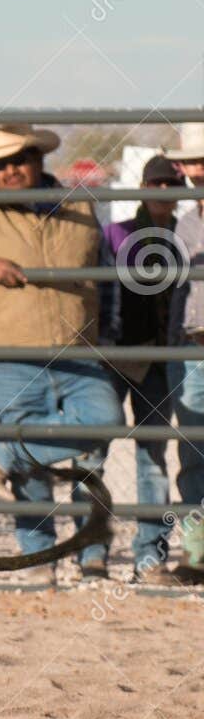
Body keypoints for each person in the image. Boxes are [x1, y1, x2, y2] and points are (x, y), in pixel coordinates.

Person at [0, 125, 120, 582]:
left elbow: (106, 280)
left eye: (18, 161)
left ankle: (4, 462)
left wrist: (109, 338)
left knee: (101, 427)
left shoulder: (83, 209)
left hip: (79, 349)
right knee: (35, 467)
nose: (9, 171)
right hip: (10, 355)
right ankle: (40, 559)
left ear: (38, 161)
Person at [105, 154, 189, 582]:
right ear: (142, 187)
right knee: (93, 446)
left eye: (169, 185)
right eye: (154, 184)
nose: (161, 193)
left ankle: (148, 557)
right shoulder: (118, 233)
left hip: (158, 358)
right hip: (116, 351)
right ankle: (92, 552)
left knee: (151, 454)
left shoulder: (185, 234)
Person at [166, 124, 204, 583]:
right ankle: (197, 554)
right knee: (194, 452)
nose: (196, 168)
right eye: (192, 161)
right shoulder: (186, 218)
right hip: (193, 345)